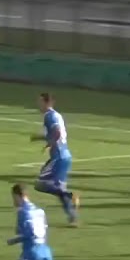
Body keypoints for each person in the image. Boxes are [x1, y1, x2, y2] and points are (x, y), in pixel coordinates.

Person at [31, 92, 80, 224]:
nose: (38, 105)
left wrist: (49, 144)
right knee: (59, 189)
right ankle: (72, 217)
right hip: (65, 156)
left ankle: (69, 196)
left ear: (47, 103)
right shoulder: (57, 115)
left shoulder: (49, 116)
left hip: (58, 157)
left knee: (40, 184)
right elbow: (57, 134)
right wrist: (40, 138)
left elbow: (57, 132)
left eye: (40, 102)